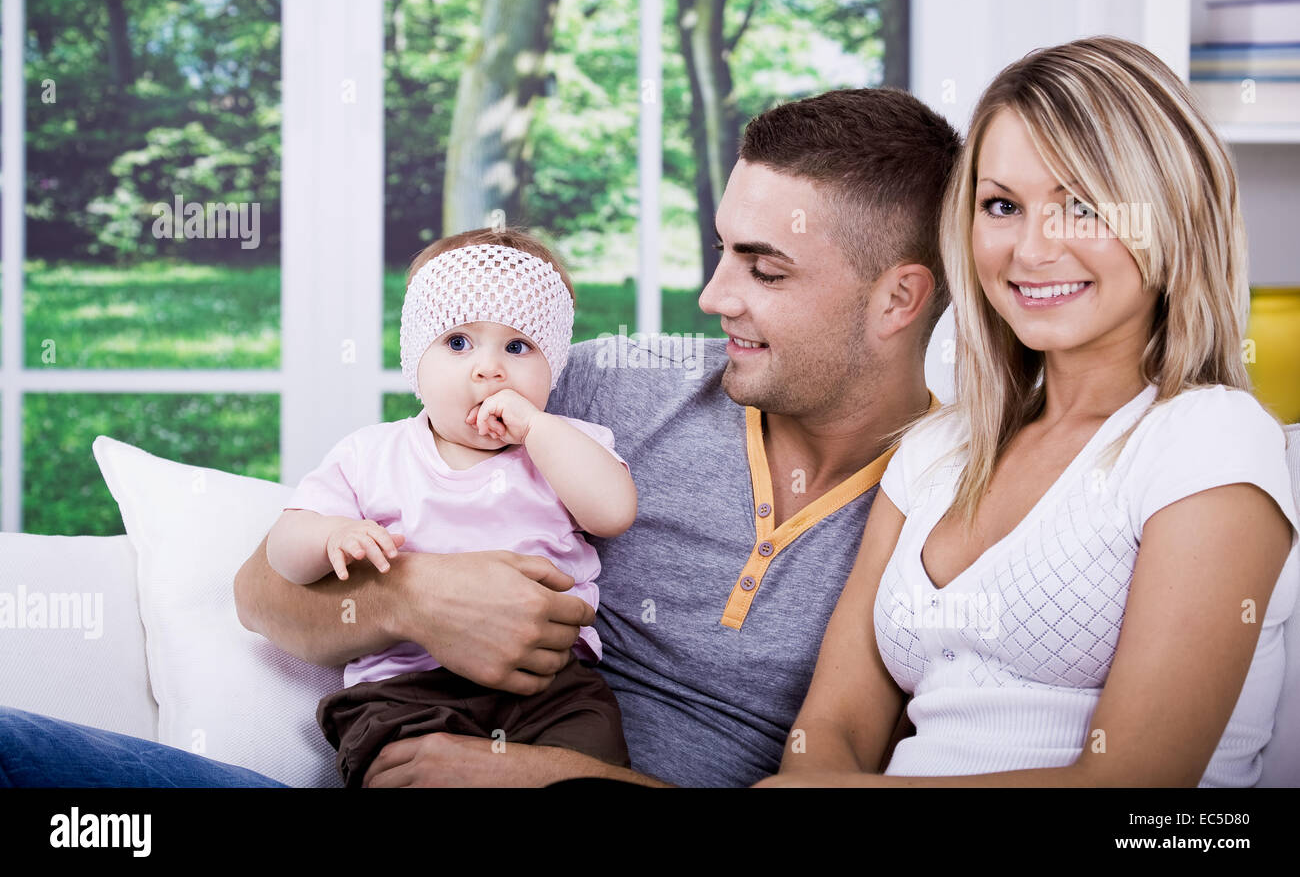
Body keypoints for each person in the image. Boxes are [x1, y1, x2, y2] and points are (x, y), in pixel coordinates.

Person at [0, 85, 961, 787]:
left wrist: (534, 777)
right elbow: (263, 595)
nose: (715, 297)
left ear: (899, 298)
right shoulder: (603, 386)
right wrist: (413, 599)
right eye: (721, 251)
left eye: (766, 269)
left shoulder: (949, 507)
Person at [760, 36, 1299, 788]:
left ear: (1170, 216)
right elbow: (831, 732)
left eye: (1080, 205)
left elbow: (1135, 784)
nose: (1032, 249)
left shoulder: (1208, 438)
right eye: (1002, 205)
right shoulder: (940, 448)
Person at [266, 234, 637, 787]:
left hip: (548, 686)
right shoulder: (371, 455)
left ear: (553, 367)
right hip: (402, 690)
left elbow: (613, 513)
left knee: (589, 768)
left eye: (518, 348)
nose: (489, 370)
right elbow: (282, 554)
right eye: (459, 342)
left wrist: (536, 428)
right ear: (416, 359)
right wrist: (330, 535)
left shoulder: (562, 445)